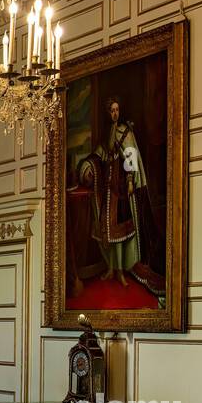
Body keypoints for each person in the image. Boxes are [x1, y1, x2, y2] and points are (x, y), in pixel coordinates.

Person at [90, 97, 147, 287]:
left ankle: (121, 271)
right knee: (108, 230)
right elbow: (101, 154)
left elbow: (130, 156)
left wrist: (130, 180)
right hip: (108, 189)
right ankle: (111, 268)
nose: (115, 113)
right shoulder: (107, 133)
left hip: (121, 187)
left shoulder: (125, 132)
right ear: (108, 113)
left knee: (121, 231)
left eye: (117, 110)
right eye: (112, 110)